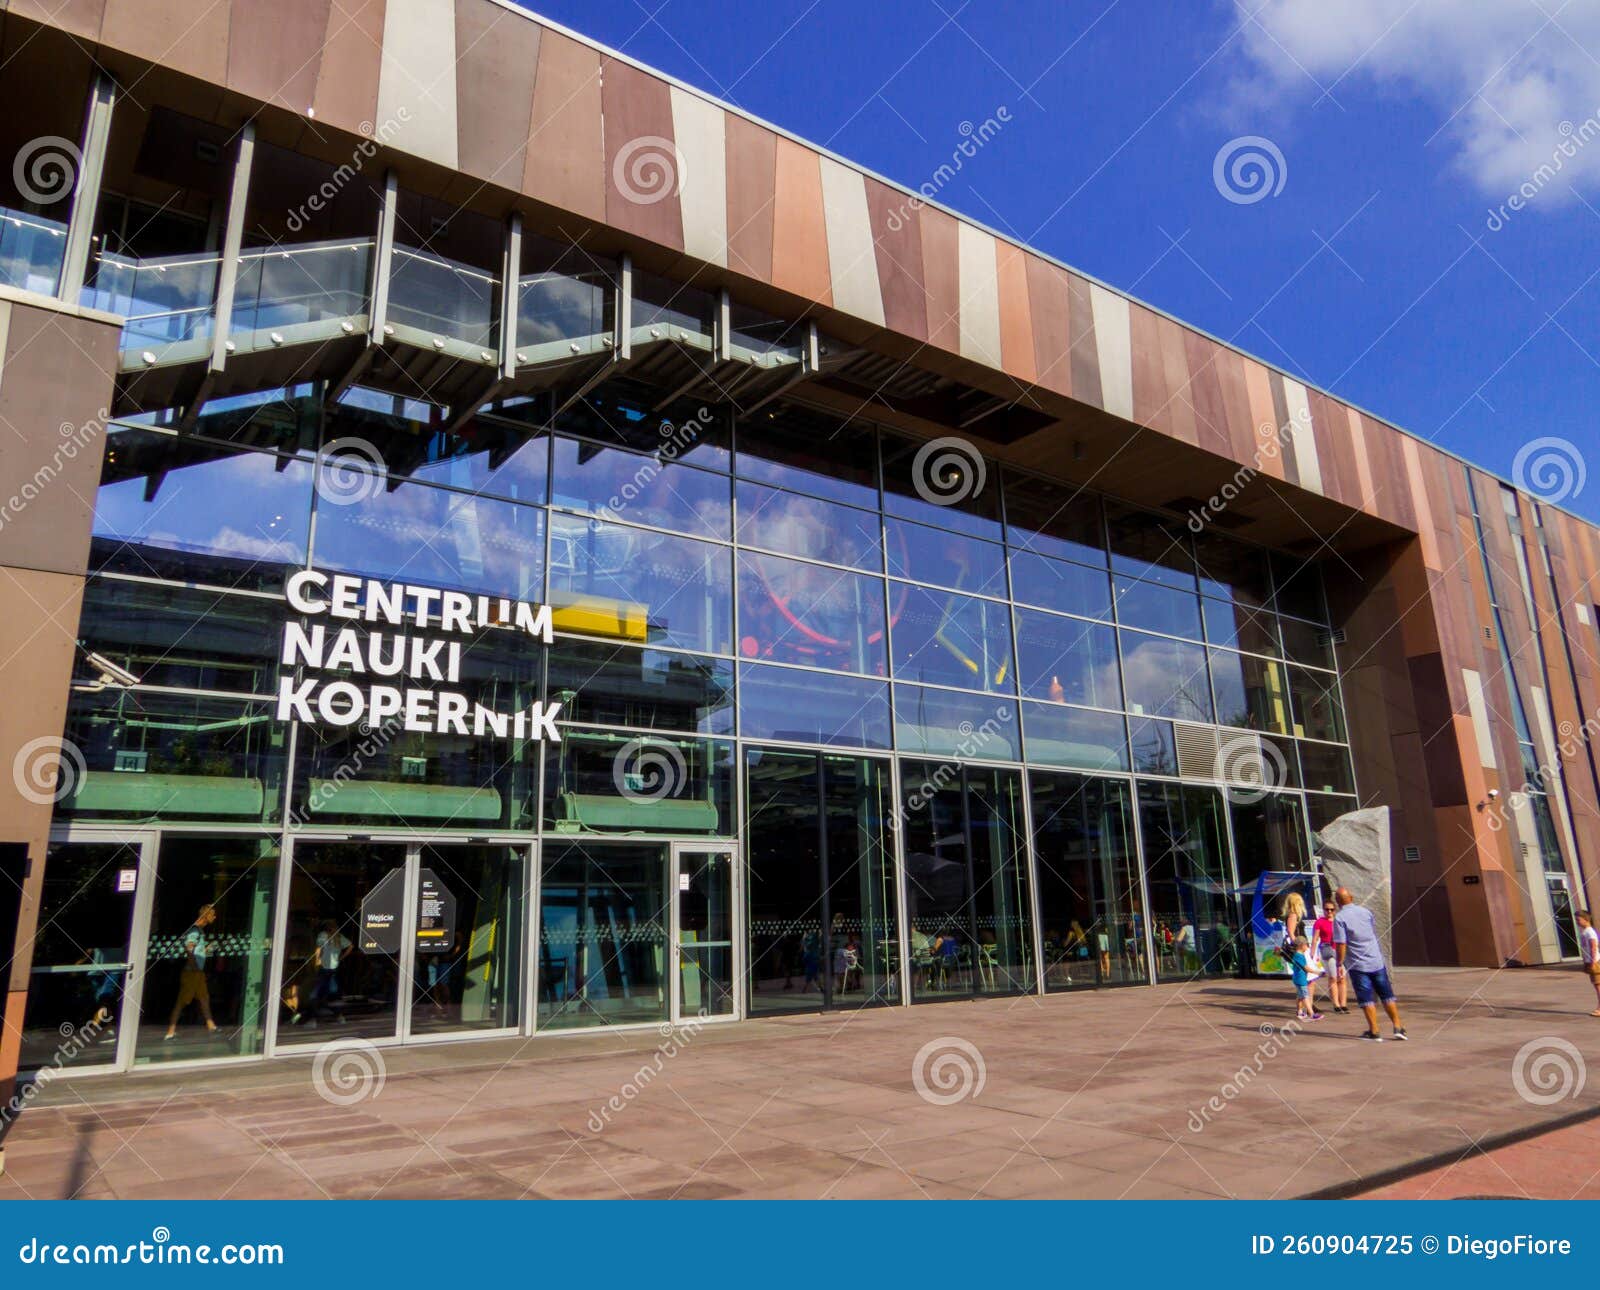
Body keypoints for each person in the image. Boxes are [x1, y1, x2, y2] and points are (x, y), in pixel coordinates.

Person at [1333, 887, 1406, 1041]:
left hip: (1358, 965)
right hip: (1376, 960)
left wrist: (1340, 963)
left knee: (1366, 998)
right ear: (1351, 897)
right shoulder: (1366, 912)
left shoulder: (1339, 918)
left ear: (1337, 901)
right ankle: (1398, 1027)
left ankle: (1374, 1031)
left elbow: (1341, 944)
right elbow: (1371, 931)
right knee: (1387, 994)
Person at [164, 904, 218, 1040]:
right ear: (206, 916)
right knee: (181, 1001)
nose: (215, 917)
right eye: (213, 915)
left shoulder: (199, 931)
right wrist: (194, 966)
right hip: (192, 972)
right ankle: (170, 1031)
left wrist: (207, 949)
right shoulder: (194, 931)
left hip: (197, 972)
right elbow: (189, 949)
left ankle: (211, 1025)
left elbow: (196, 951)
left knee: (204, 998)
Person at [1314, 898, 1348, 1012]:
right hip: (1328, 950)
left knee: (1342, 978)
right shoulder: (1320, 922)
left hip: (1340, 951)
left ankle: (1343, 1004)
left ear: (1335, 910)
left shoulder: (1339, 921)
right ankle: (1336, 1004)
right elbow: (1315, 939)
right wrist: (1312, 954)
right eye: (1326, 909)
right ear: (1323, 910)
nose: (1329, 912)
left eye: (1331, 909)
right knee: (1333, 977)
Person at [1289, 935, 1322, 1021]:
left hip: (1299, 978)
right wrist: (1316, 972)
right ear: (1301, 945)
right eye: (1306, 945)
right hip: (1301, 979)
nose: (1307, 947)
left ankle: (1299, 1012)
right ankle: (1311, 1014)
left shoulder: (1299, 955)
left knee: (1300, 996)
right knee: (1305, 996)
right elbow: (1305, 968)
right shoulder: (1299, 956)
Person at [1577, 910, 1600, 1017]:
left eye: (1579, 920)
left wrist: (1593, 961)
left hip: (1595, 962)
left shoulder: (1589, 932)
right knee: (1597, 985)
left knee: (1598, 985)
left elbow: (1593, 946)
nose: (1577, 922)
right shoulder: (1585, 931)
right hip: (1590, 961)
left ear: (1586, 919)